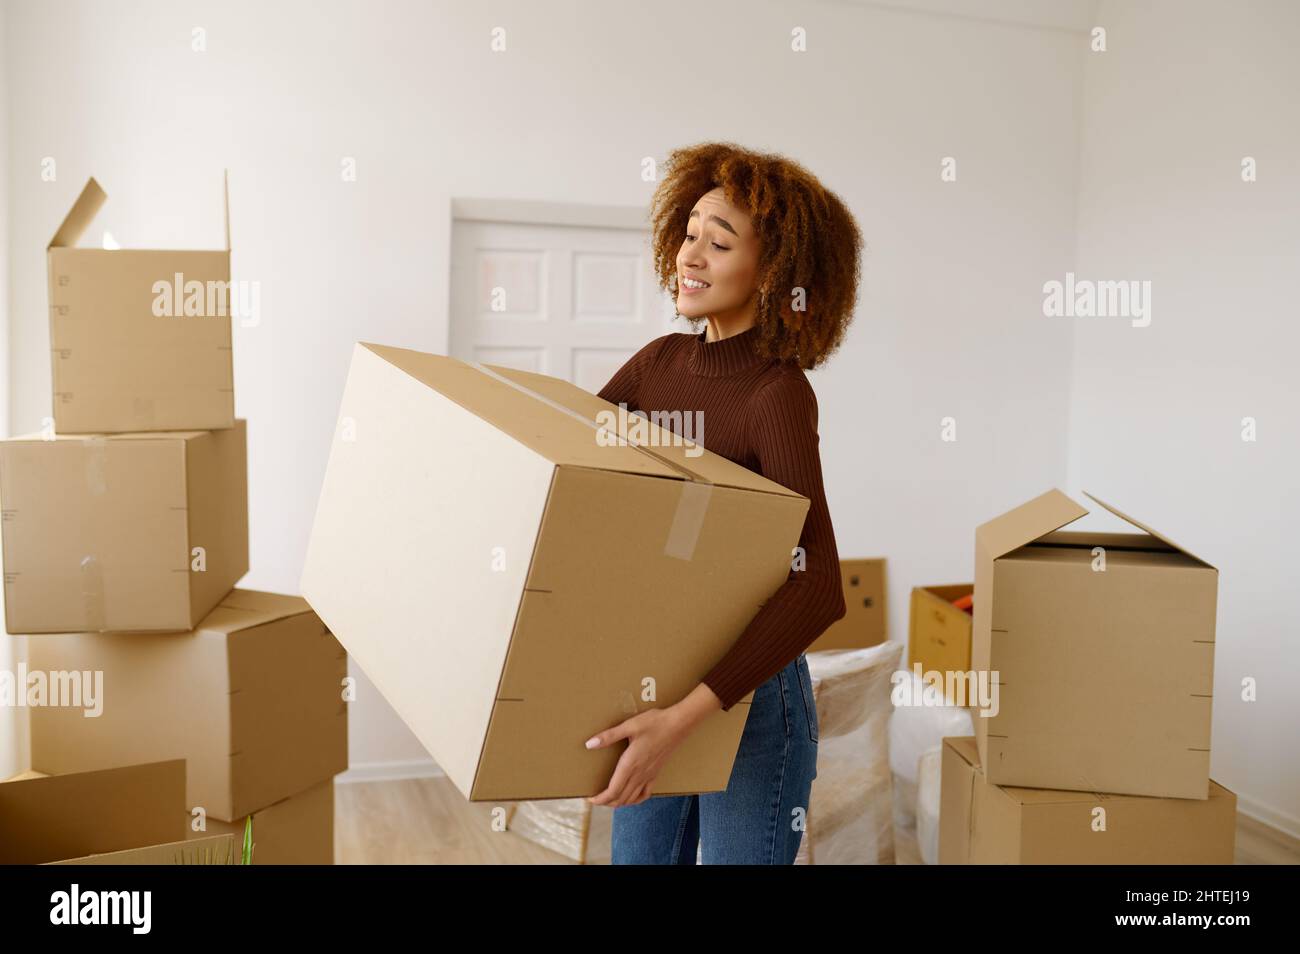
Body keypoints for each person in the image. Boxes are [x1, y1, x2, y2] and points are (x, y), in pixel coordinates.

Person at [588, 141, 863, 864]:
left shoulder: (776, 395)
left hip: (752, 696)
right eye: (689, 234)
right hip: (660, 673)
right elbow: (568, 480)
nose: (690, 256)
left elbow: (819, 585)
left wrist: (684, 719)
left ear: (773, 271)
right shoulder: (657, 365)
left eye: (719, 242)